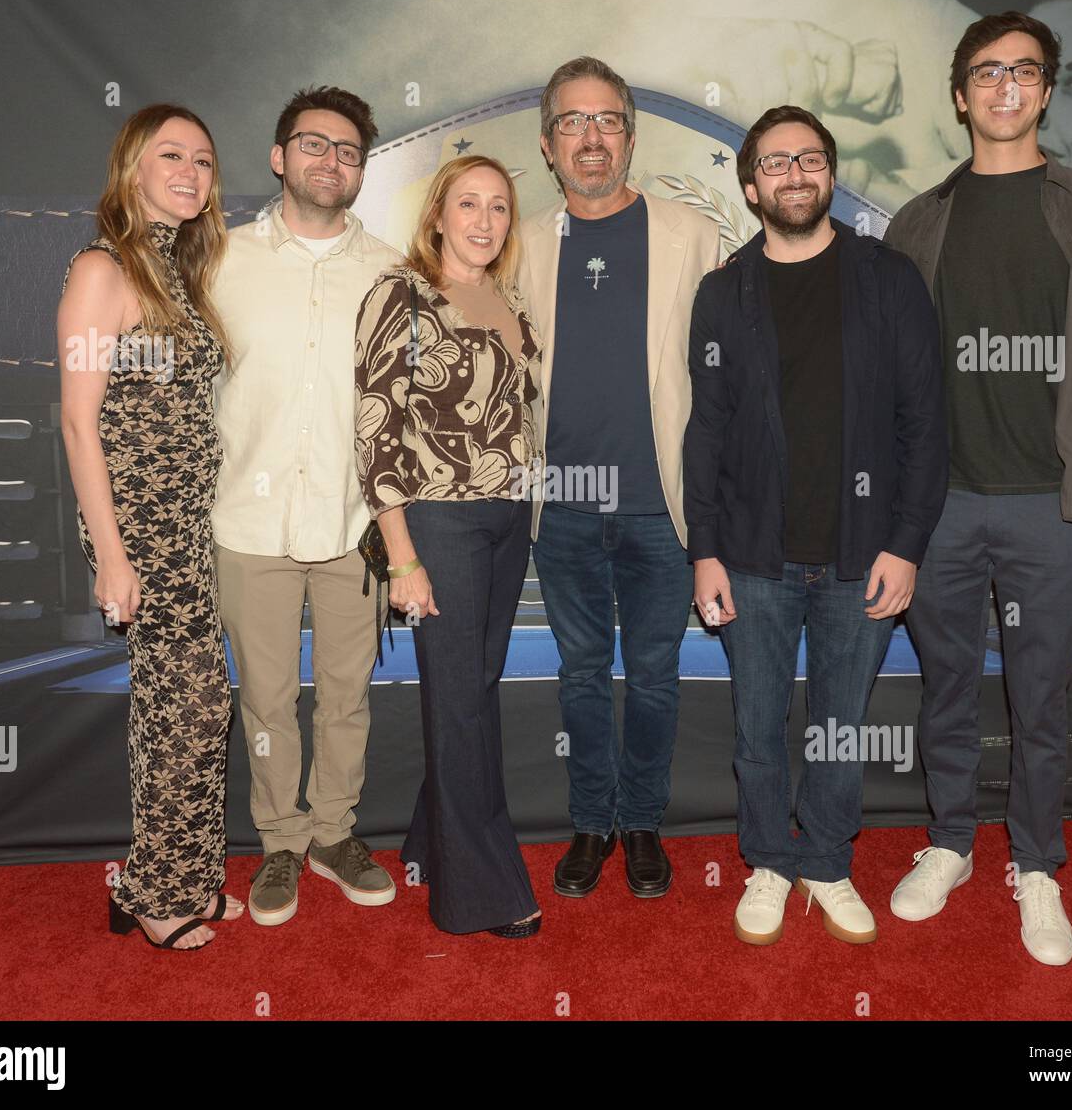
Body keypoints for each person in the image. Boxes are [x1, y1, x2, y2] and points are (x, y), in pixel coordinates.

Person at [883, 11, 1072, 966]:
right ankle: (951, 844)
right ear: (960, 95)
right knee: (947, 689)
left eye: (1025, 72)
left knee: (1039, 699)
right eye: (986, 72)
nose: (1005, 87)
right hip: (942, 508)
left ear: (1045, 89)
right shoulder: (918, 221)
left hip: (1057, 508)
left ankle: (1037, 864)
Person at [685, 106, 947, 947]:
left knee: (839, 726)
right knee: (758, 729)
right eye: (774, 163)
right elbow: (708, 430)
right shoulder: (723, 293)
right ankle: (767, 860)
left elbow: (925, 425)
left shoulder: (889, 277)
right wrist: (707, 551)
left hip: (861, 557)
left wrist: (906, 544)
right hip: (753, 559)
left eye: (809, 159)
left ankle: (829, 862)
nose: (792, 175)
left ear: (829, 173)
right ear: (751, 184)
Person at [518, 56, 720, 901]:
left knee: (657, 675)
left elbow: (721, 377)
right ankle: (590, 822)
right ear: (547, 144)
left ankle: (642, 821)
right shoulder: (518, 242)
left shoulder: (693, 234)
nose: (590, 137)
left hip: (657, 507)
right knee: (579, 675)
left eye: (605, 121)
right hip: (560, 510)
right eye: (572, 121)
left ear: (630, 138)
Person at [212, 86, 401, 926]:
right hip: (247, 526)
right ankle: (279, 842)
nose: (332, 160)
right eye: (314, 145)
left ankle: (333, 833)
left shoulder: (392, 270)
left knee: (347, 695)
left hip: (355, 528)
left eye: (349, 150)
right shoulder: (218, 259)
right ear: (279, 158)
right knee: (265, 699)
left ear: (362, 169)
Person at [58, 104, 242, 951]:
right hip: (142, 535)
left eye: (202, 160)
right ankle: (160, 893)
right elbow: (77, 420)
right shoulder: (104, 269)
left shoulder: (174, 271)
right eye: (171, 154)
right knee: (188, 705)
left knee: (191, 705)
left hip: (185, 529)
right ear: (131, 167)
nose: (190, 171)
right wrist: (111, 555)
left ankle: (179, 878)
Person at [355, 154, 544, 937]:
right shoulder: (400, 295)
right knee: (463, 703)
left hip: (507, 521)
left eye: (498, 207)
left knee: (471, 690)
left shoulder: (510, 298)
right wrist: (402, 557)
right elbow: (374, 428)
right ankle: (479, 894)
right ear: (437, 214)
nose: (484, 220)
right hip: (438, 521)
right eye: (468, 204)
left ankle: (429, 841)